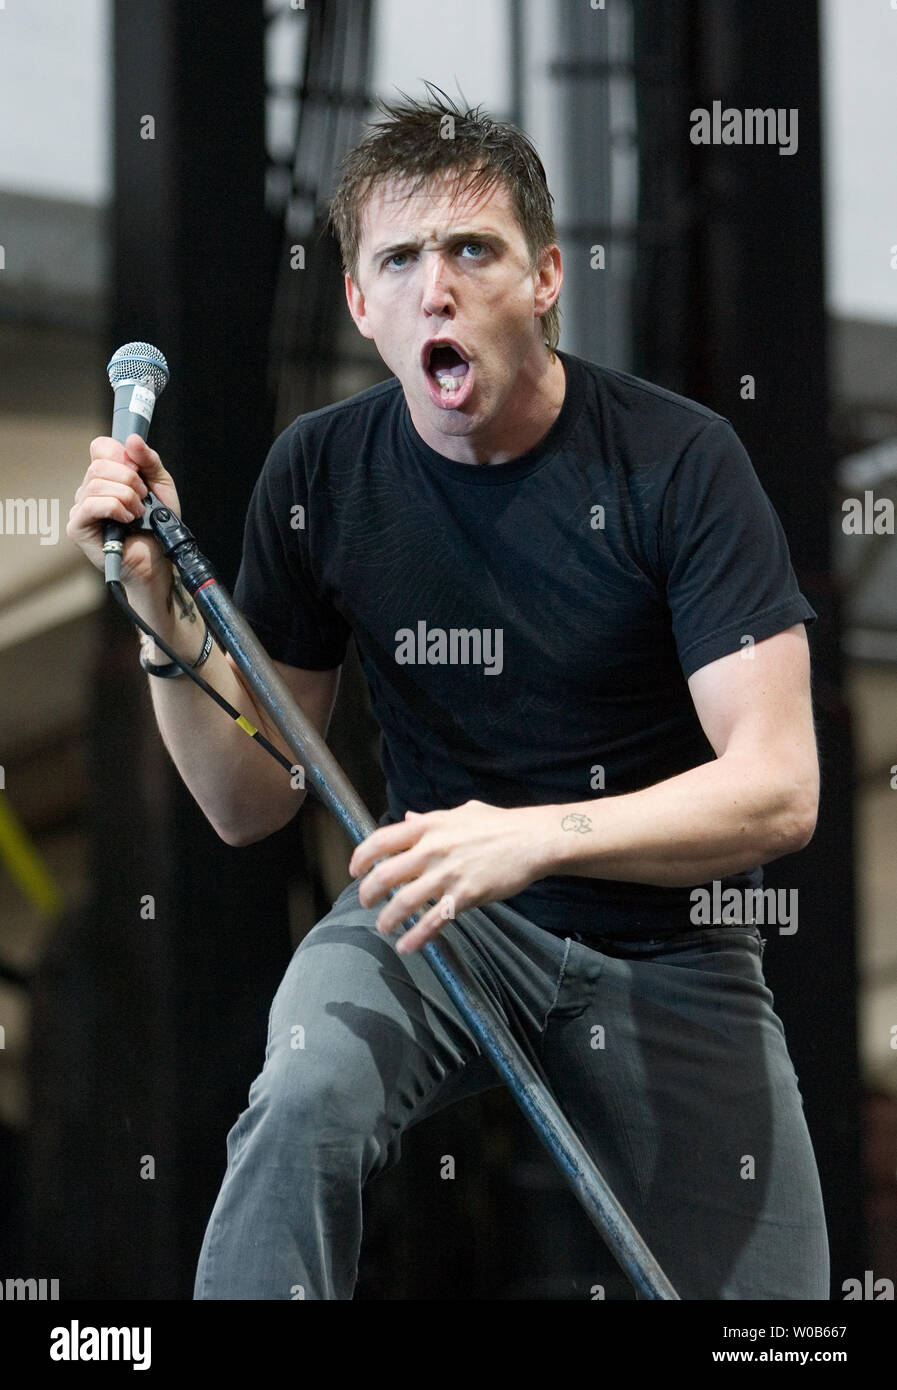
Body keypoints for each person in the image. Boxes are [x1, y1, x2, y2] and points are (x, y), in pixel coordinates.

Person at [67, 89, 829, 1300]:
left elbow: (780, 789)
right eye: (402, 258)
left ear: (544, 279)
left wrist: (526, 839)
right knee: (306, 1088)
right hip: (438, 914)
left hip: (665, 945)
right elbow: (250, 801)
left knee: (772, 1316)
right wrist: (162, 610)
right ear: (362, 303)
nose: (440, 286)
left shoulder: (680, 463)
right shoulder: (320, 470)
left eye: (473, 249)